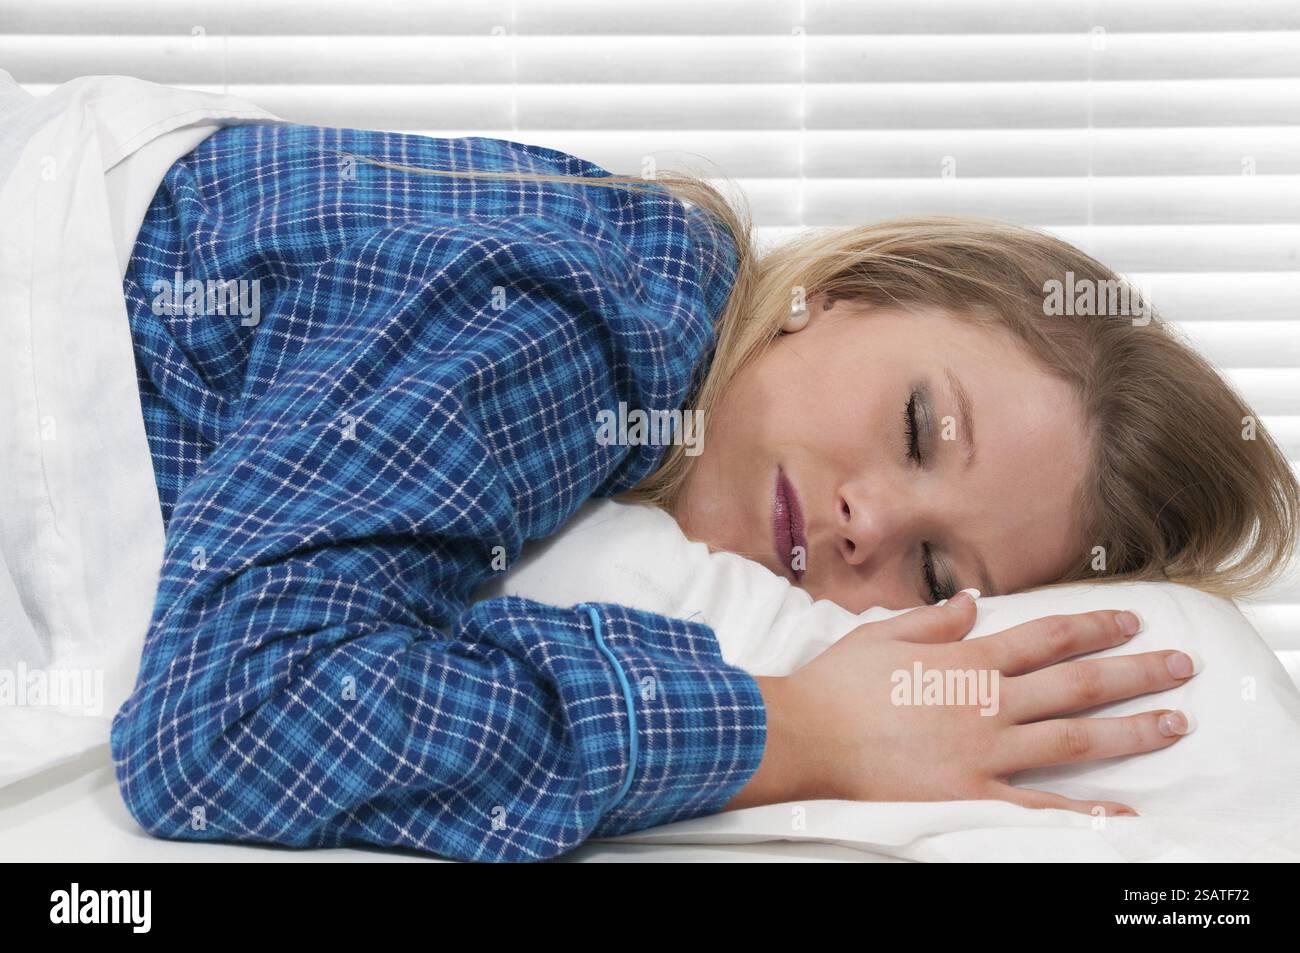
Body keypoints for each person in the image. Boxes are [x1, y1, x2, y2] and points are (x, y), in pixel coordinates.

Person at [109, 122, 1298, 861]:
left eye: (936, 573)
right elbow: (224, 721)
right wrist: (801, 730)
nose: (868, 522)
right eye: (916, 427)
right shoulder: (571, 314)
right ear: (843, 291)